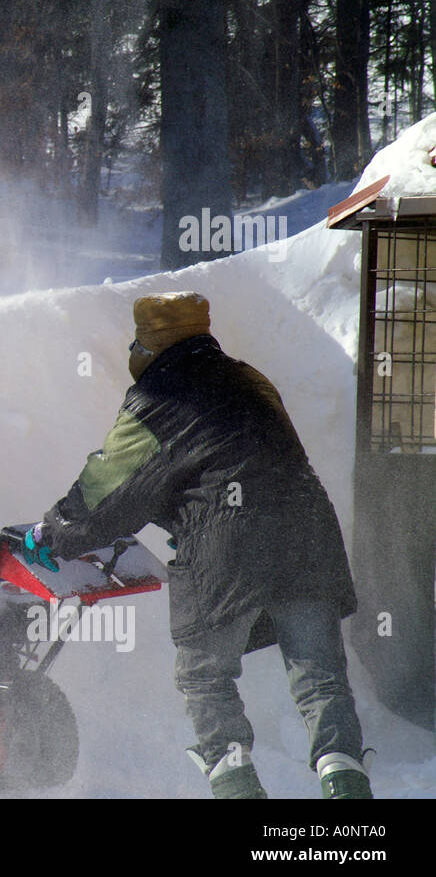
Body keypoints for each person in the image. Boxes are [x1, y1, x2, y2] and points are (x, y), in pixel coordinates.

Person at [21, 291, 372, 799]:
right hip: (309, 536)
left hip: (227, 547)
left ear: (151, 343)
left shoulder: (159, 398)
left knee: (205, 676)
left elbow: (109, 491)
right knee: (321, 680)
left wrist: (53, 531)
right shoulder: (251, 378)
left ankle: (238, 793)